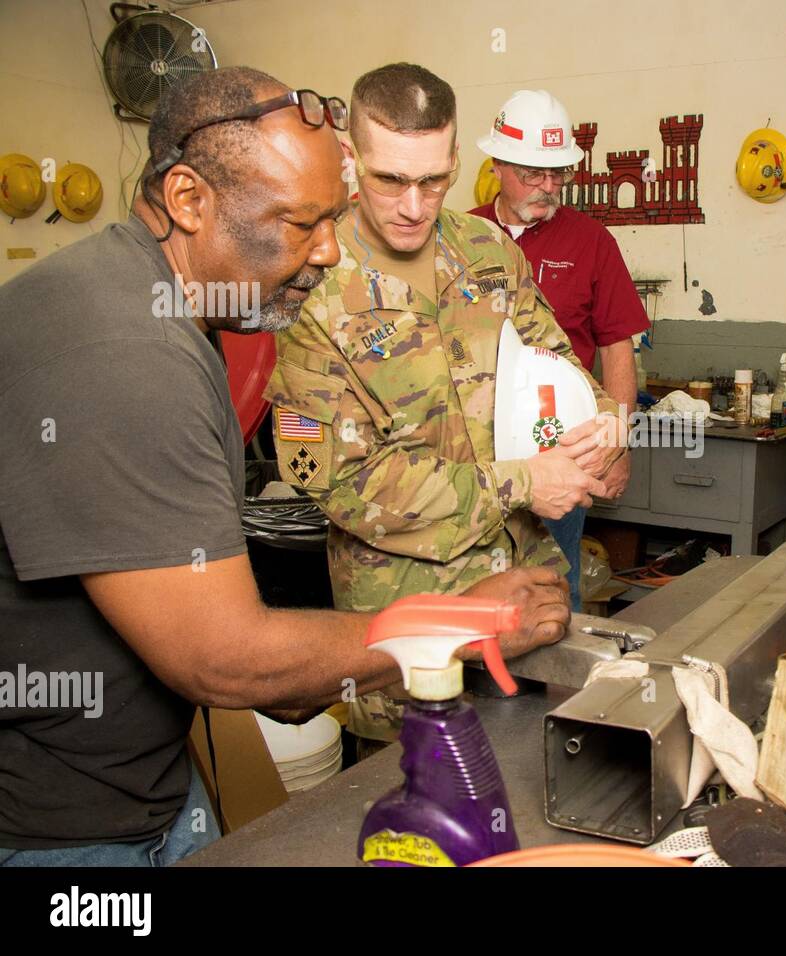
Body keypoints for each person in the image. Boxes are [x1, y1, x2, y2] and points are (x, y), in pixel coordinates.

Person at [0, 66, 569, 867]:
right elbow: (224, 657)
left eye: (331, 219)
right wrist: (462, 623)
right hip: (63, 828)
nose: (329, 250)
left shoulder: (153, 304)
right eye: (301, 224)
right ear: (190, 200)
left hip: (143, 780)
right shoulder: (123, 352)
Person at [265, 63, 627, 748]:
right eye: (390, 180)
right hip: (414, 641)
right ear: (350, 158)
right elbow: (334, 482)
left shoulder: (488, 251)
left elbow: (558, 365)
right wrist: (522, 480)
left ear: (459, 160)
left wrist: (604, 427)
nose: (413, 205)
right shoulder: (306, 287)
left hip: (531, 614)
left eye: (433, 180)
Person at [471, 90, 649, 610]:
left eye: (559, 173)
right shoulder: (460, 236)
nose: (549, 187)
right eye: (533, 173)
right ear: (499, 164)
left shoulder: (591, 242)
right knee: (476, 597)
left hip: (562, 451)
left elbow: (618, 346)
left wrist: (617, 441)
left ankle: (555, 692)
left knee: (551, 595)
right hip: (476, 463)